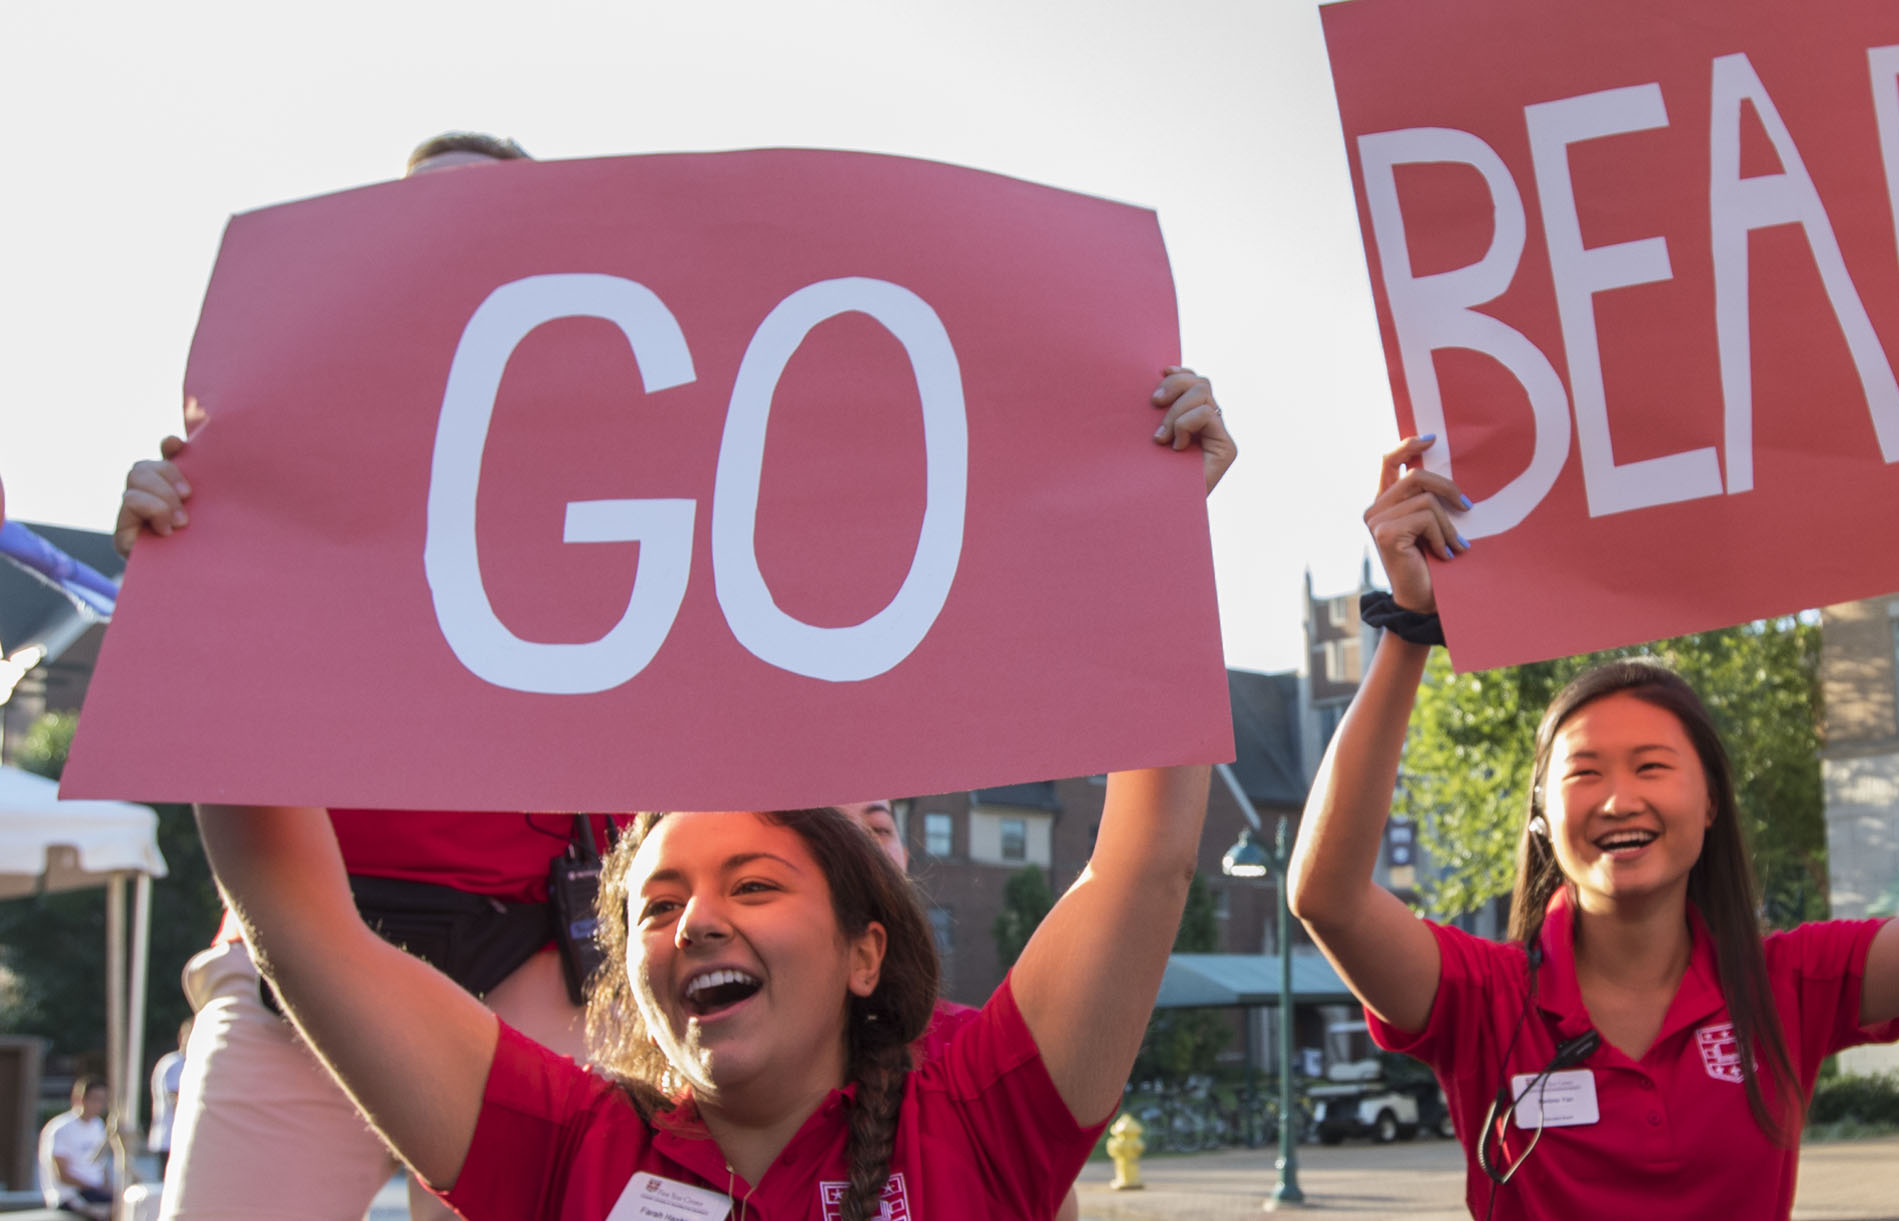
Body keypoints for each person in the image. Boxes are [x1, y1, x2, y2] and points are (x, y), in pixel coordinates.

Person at [179, 374, 1233, 1220]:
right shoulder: (564, 1146)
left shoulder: (974, 1118)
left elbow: (1140, 866)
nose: (698, 923)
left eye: (756, 884)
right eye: (657, 902)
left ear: (866, 950)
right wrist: (215, 581)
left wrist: (1159, 538)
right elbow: (298, 920)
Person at [1288, 436, 1899, 1219]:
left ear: (1710, 803)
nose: (1618, 799)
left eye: (1651, 767)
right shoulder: (1483, 1000)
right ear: (1540, 819)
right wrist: (1408, 627)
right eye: (1583, 773)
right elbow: (1327, 895)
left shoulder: (1788, 987)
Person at [118, 131, 628, 1221]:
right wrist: (173, 548)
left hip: (533, 955)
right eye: (417, 221)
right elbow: (206, 695)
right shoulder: (269, 439)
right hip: (297, 950)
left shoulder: (635, 451)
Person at [835, 799, 1079, 1219]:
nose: (861, 845)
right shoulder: (744, 1055)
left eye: (878, 828)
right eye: (835, 829)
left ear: (905, 860)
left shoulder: (966, 1042)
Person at [37, 1076, 112, 1220]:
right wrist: (93, 1187)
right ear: (80, 1099)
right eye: (95, 1099)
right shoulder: (61, 1128)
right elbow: (61, 1173)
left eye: (102, 1100)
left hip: (94, 1192)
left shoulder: (98, 1125)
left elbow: (100, 1165)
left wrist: (106, 1187)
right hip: (71, 1195)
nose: (99, 1104)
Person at [147, 1021, 189, 1172]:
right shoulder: (175, 1063)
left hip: (181, 1139)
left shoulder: (191, 1062)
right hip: (170, 1139)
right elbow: (176, 1100)